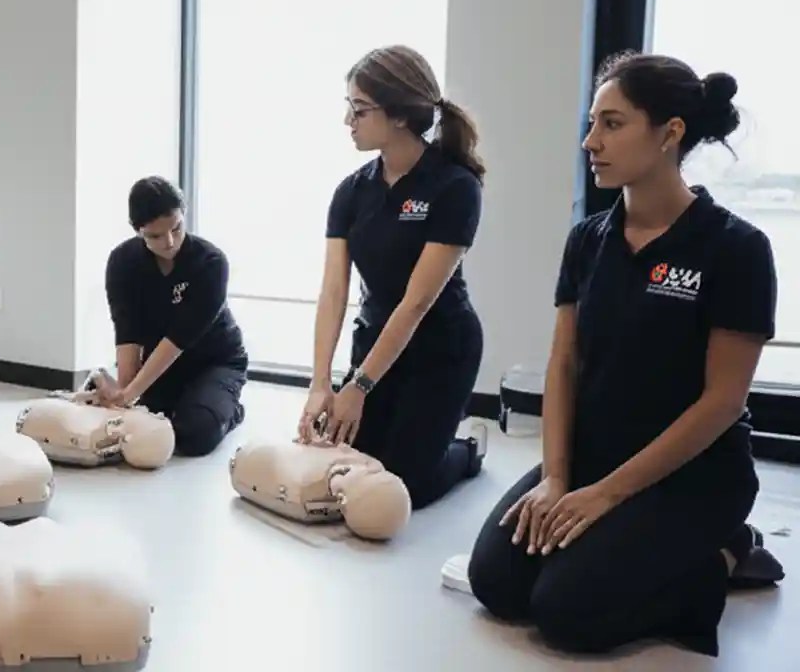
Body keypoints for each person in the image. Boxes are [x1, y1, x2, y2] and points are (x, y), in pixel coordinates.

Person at [466, 51, 785, 657]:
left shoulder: (736, 248)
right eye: (591, 124)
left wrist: (607, 495)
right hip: (592, 457)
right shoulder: (588, 239)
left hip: (692, 478)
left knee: (567, 612)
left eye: (612, 124)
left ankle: (723, 553)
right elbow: (562, 365)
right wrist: (557, 478)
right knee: (499, 584)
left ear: (670, 134)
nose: (591, 141)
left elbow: (723, 401)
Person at [297, 45, 486, 510]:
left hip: (440, 350)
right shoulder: (351, 191)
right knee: (348, 464)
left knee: (404, 487)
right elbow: (334, 292)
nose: (348, 120)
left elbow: (417, 303)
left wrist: (358, 388)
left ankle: (467, 450)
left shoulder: (455, 186)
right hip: (373, 347)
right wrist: (322, 384)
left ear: (400, 116)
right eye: (349, 107)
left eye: (359, 109)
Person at [90, 176, 248, 457]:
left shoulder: (211, 263)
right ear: (137, 230)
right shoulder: (122, 262)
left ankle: (230, 410)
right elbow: (127, 331)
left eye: (176, 228)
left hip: (214, 362)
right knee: (128, 419)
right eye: (155, 236)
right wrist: (123, 397)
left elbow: (179, 338)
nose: (170, 242)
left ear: (183, 215)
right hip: (159, 366)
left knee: (195, 434)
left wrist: (129, 395)